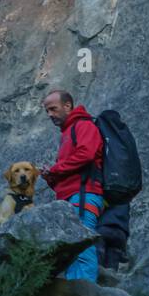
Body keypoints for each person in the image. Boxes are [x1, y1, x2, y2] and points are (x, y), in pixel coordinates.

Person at [40, 90, 104, 282]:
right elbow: (71, 172)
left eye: (53, 109)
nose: (50, 114)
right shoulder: (68, 132)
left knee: (83, 246)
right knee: (73, 247)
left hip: (84, 195)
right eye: (47, 111)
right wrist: (51, 176)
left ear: (67, 105)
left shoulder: (83, 125)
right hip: (72, 196)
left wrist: (56, 169)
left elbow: (86, 154)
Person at [97, 199, 130, 273]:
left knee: (97, 263)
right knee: (111, 270)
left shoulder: (107, 194)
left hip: (103, 228)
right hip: (121, 233)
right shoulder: (128, 197)